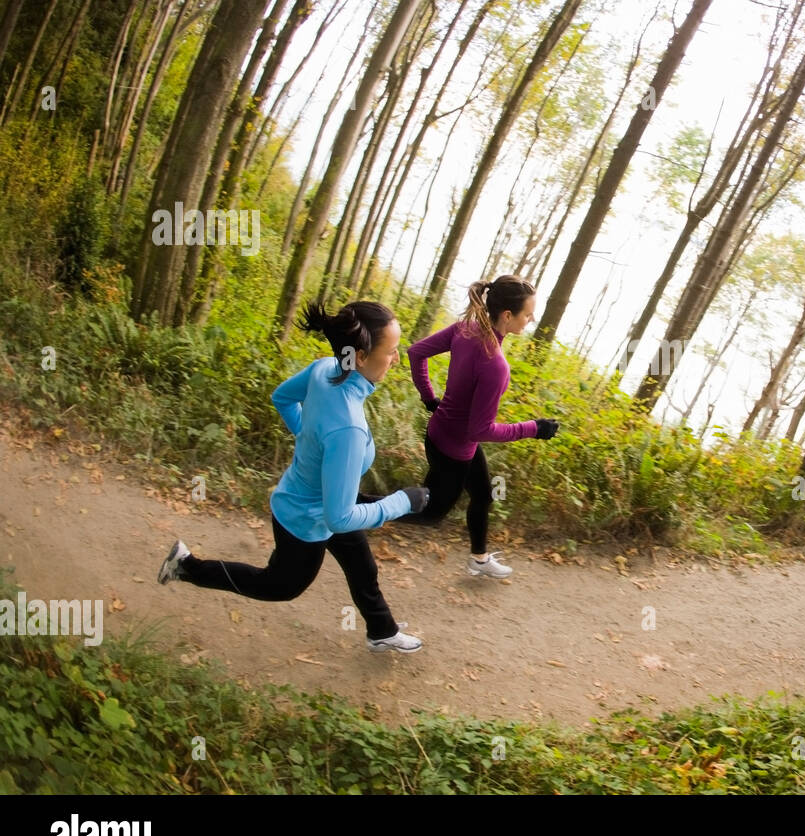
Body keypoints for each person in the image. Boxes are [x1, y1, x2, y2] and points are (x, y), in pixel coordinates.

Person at [156, 301, 432, 654]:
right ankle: (187, 566)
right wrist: (401, 502)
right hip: (304, 518)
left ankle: (381, 629)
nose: (397, 360)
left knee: (362, 568)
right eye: (391, 352)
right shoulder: (348, 426)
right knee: (278, 586)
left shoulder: (325, 370)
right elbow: (340, 517)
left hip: (329, 497)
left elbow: (282, 398)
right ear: (360, 357)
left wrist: (309, 441)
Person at [402, 275, 559, 578]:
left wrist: (429, 399)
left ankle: (479, 558)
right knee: (429, 512)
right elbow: (480, 430)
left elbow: (415, 352)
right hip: (455, 449)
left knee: (483, 494)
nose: (531, 319)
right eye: (528, 314)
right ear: (508, 315)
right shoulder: (495, 364)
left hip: (442, 435)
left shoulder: (466, 329)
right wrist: (533, 428)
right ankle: (346, 507)